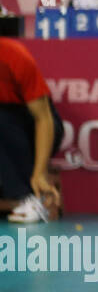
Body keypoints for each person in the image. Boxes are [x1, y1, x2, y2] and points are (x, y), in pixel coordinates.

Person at [0, 39, 62, 223]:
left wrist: (40, 173)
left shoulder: (14, 55)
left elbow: (44, 118)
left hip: (36, 126)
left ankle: (29, 199)